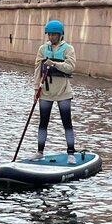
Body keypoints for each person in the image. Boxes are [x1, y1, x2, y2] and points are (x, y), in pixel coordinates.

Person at [33, 19, 77, 164]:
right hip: (45, 92)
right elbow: (37, 70)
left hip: (63, 92)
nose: (50, 37)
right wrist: (36, 89)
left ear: (60, 35)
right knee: (43, 123)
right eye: (49, 34)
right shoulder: (42, 49)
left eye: (53, 35)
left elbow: (70, 67)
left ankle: (71, 152)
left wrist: (54, 64)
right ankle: (40, 152)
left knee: (67, 122)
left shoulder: (68, 49)